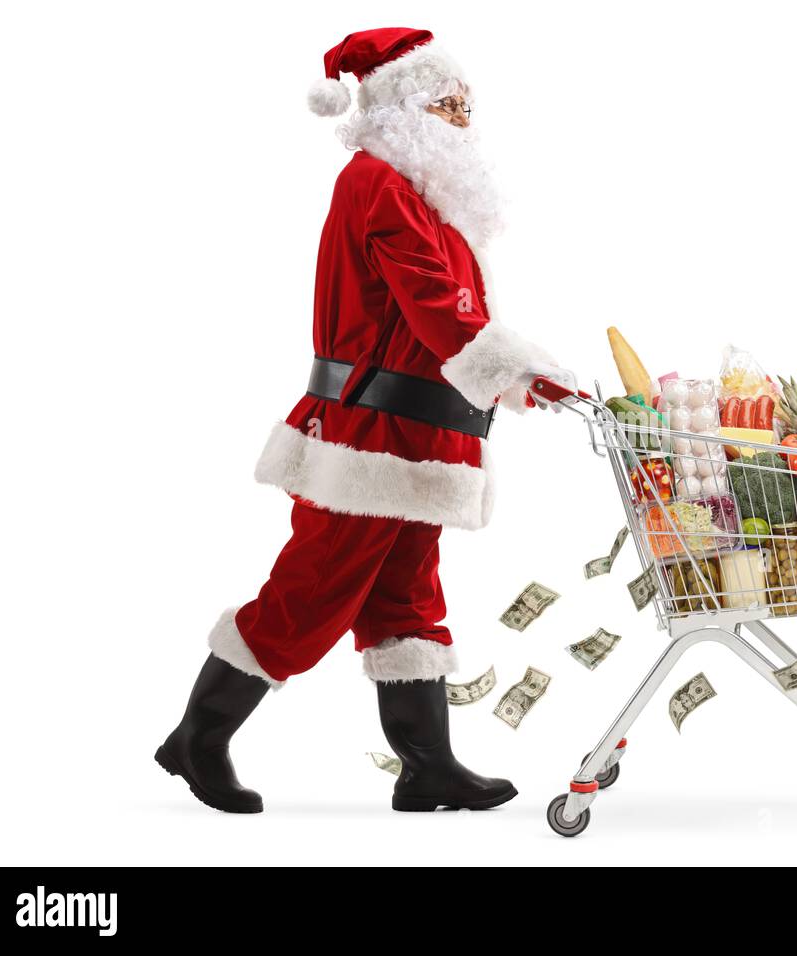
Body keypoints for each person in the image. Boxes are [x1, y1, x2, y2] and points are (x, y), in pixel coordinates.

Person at [156, 27, 574, 814]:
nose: (461, 116)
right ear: (400, 110)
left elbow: (454, 318)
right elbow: (434, 309)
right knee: (314, 590)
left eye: (464, 101)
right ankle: (197, 738)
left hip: (423, 438)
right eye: (443, 101)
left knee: (407, 599)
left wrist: (518, 381)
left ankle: (427, 768)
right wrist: (520, 371)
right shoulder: (378, 184)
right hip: (369, 435)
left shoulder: (430, 198)